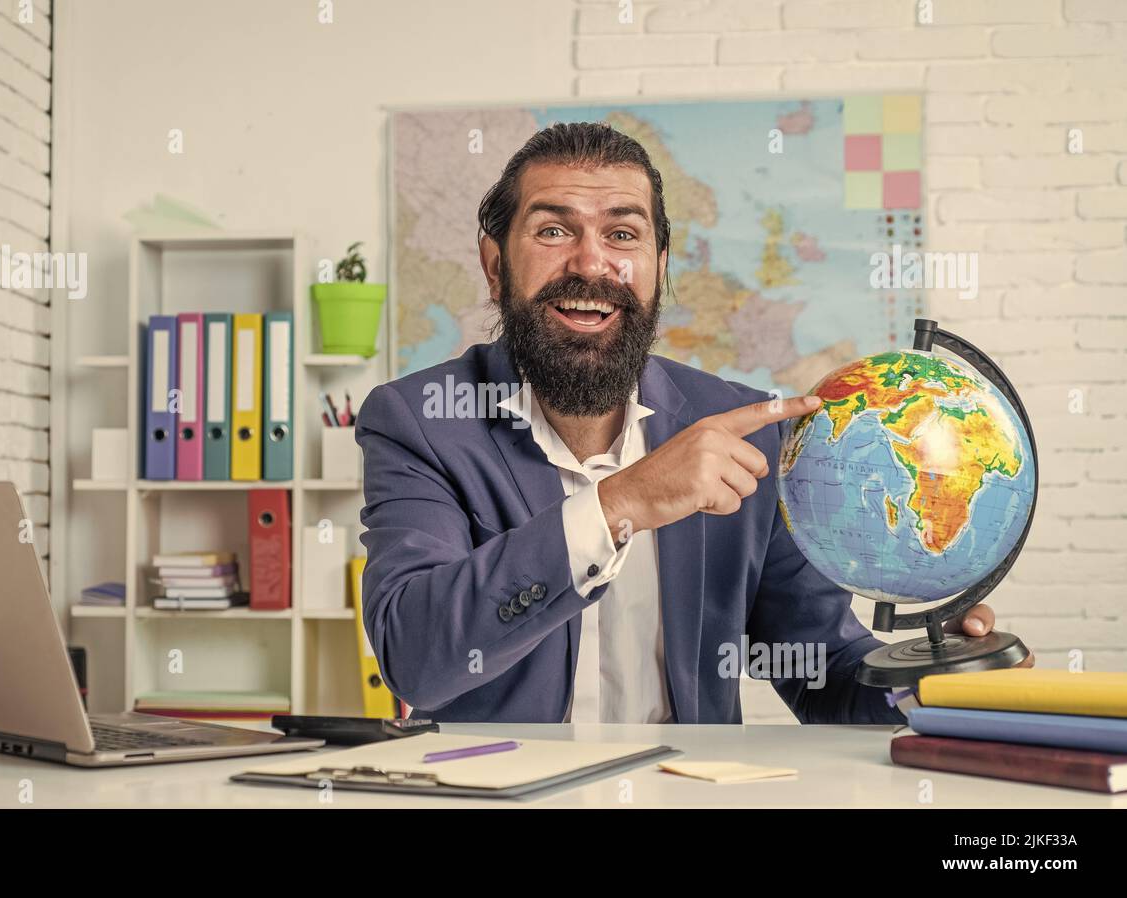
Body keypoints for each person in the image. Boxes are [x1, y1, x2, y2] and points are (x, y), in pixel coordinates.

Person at [354, 121, 1032, 724]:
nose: (591, 263)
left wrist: (928, 683)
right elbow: (418, 658)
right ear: (495, 266)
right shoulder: (418, 422)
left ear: (659, 269)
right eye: (554, 230)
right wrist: (622, 502)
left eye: (623, 234)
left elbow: (821, 672)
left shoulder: (745, 430)